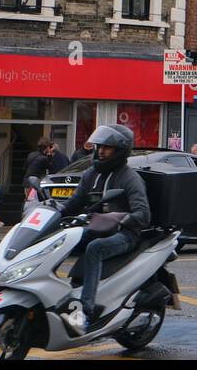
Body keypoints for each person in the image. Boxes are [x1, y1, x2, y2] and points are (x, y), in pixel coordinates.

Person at [59, 125, 151, 335]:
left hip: (125, 234)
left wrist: (119, 218)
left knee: (95, 249)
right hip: (96, 228)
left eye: (107, 148)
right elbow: (74, 202)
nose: (101, 151)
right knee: (61, 241)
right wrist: (56, 212)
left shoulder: (130, 178)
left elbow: (143, 215)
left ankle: (86, 312)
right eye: (100, 146)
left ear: (119, 151)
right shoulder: (91, 173)